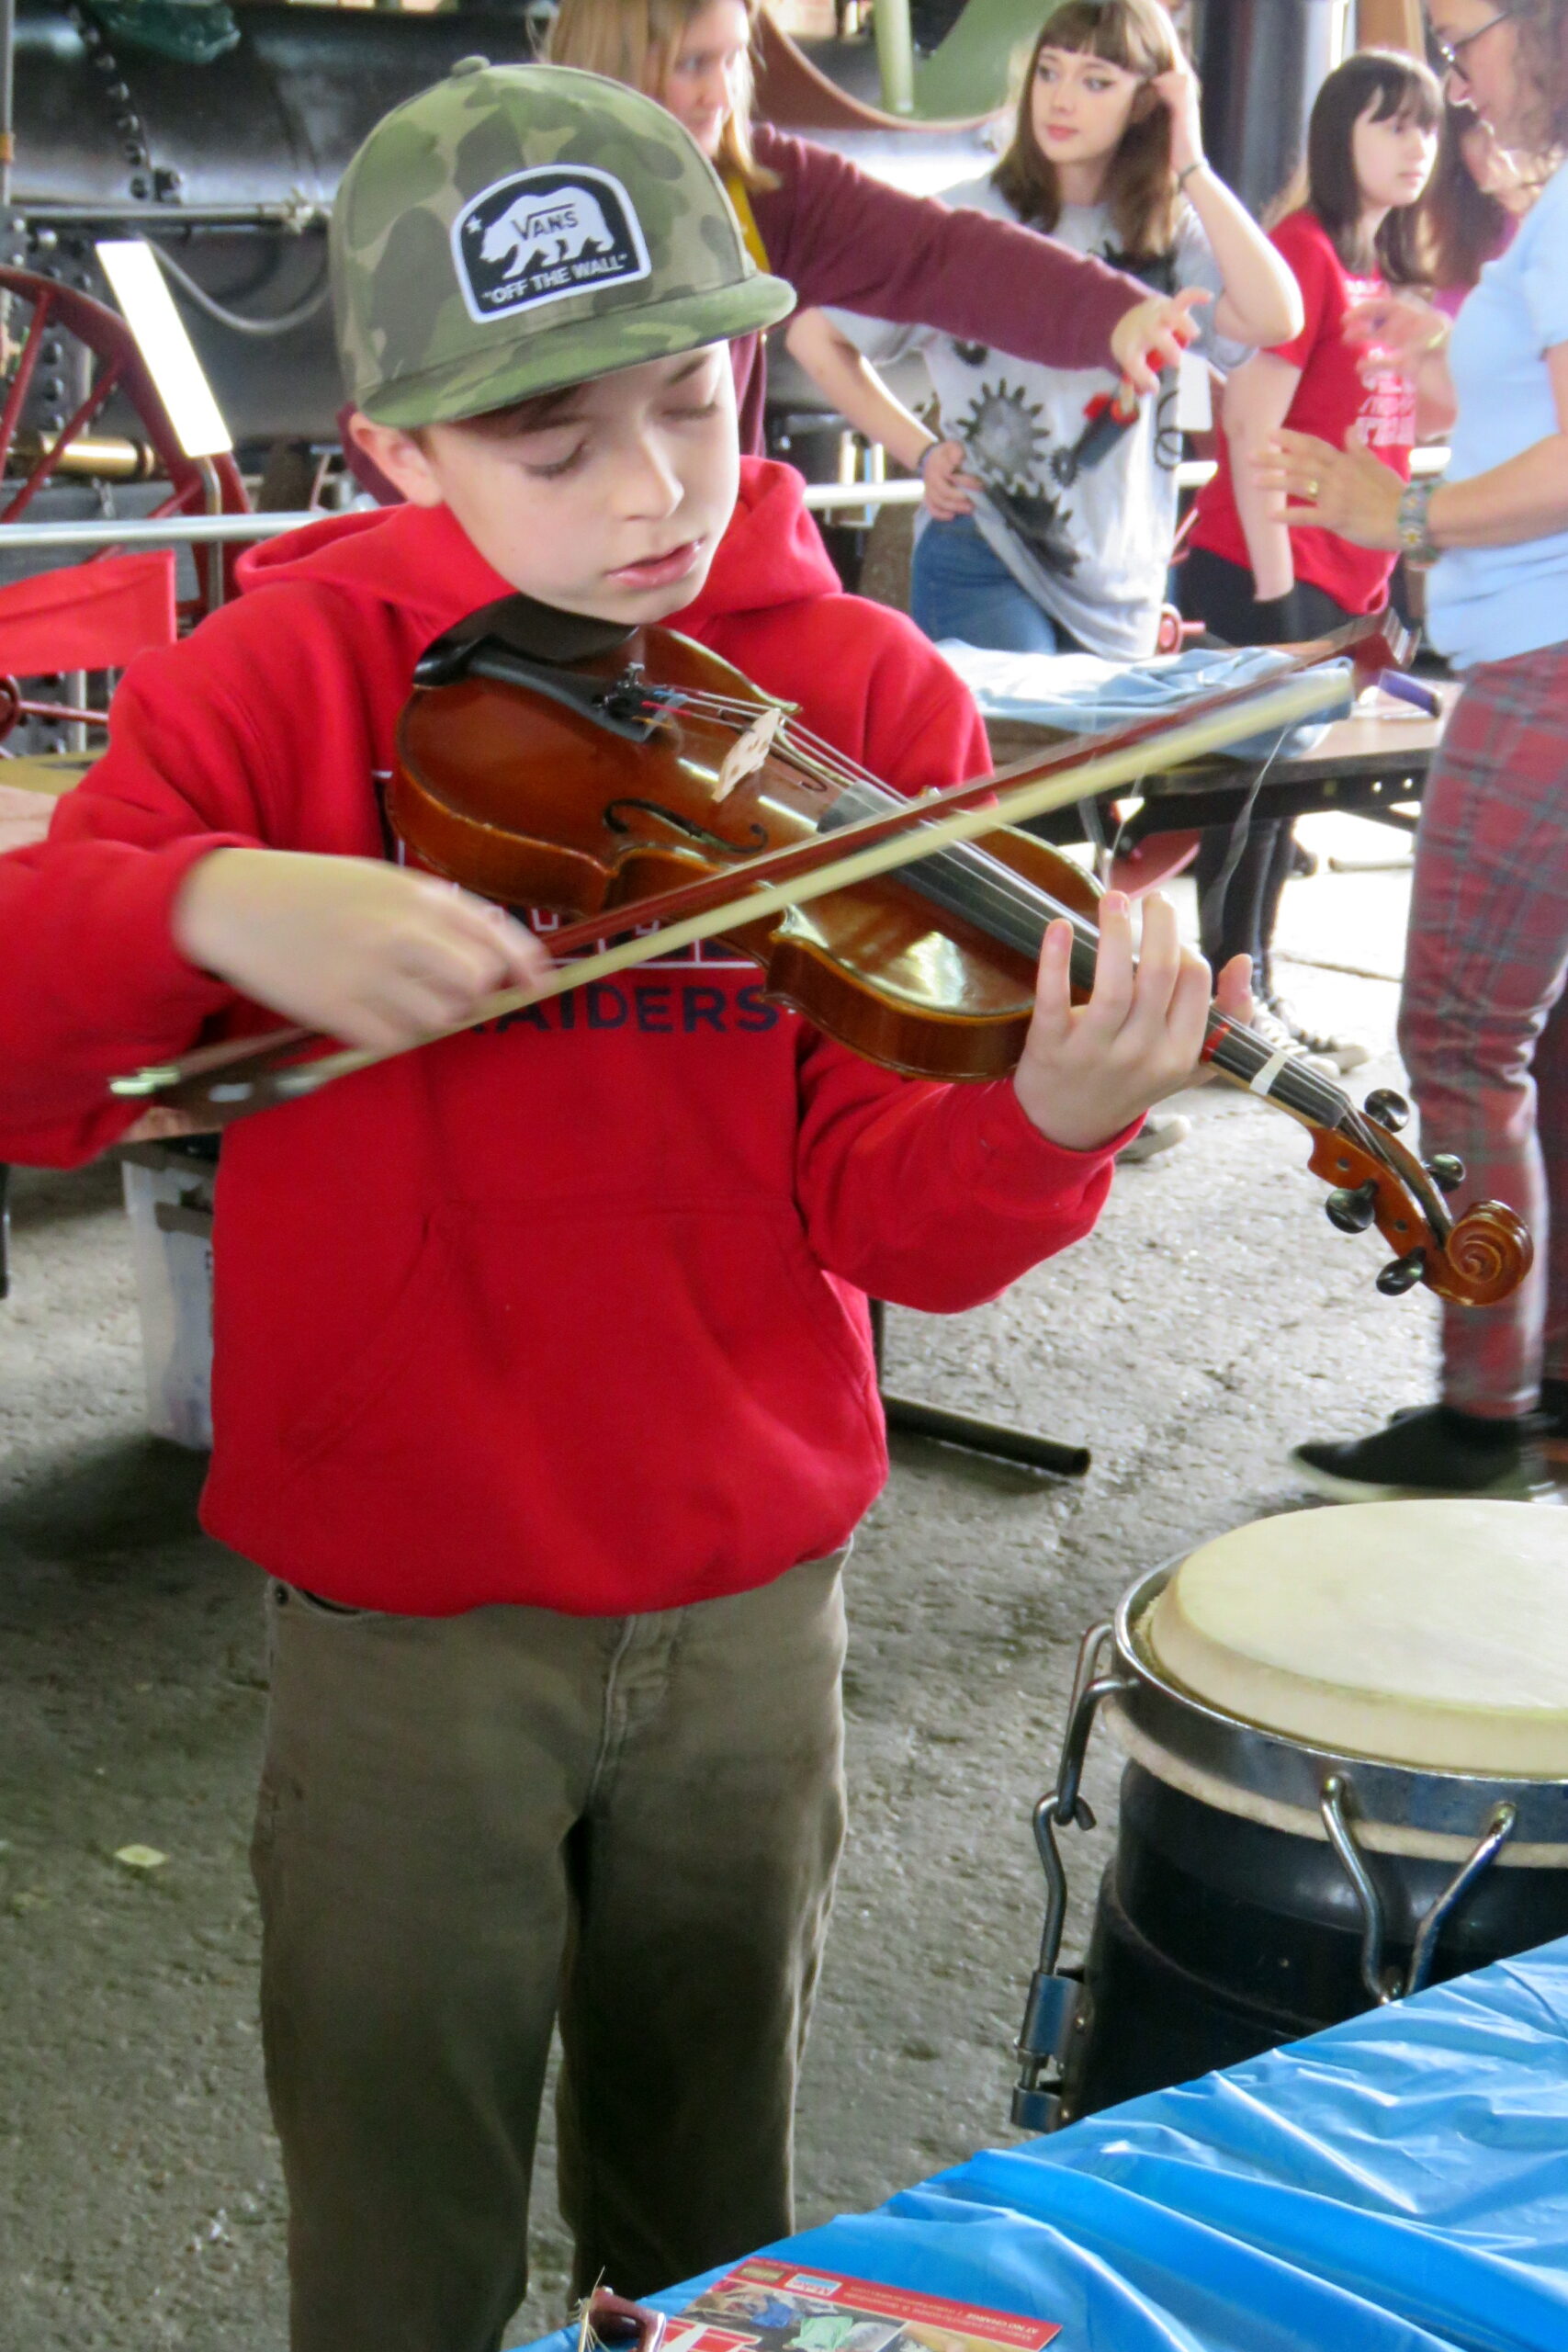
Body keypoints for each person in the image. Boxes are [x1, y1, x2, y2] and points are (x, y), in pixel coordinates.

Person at [0, 63, 1249, 2352]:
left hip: (746, 1612)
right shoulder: (270, 686)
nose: (653, 499)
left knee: (708, 2225)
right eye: (547, 451)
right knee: (398, 2225)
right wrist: (208, 900)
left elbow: (890, 1203)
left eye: (692, 404)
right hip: (402, 1623)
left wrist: (1042, 1123)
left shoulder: (858, 698)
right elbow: (28, 1055)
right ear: (393, 448)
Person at [1258, 0, 1568, 1502]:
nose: (1453, 79)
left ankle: (1474, 1413)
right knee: (1544, 1044)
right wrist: (1446, 352)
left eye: (1463, 41)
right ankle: (1545, 1385)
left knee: (1455, 1039)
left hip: (1547, 668)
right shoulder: (1545, 218)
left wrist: (1403, 516)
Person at [781, 0, 1300, 665]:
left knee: (1104, 771)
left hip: (1124, 577)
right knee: (1022, 762)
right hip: (984, 549)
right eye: (1048, 72)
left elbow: (1276, 316)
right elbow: (815, 337)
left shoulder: (1167, 235)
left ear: (1147, 102)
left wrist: (1191, 162)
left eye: (1094, 81)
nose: (1059, 99)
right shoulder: (969, 218)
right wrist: (921, 451)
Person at [544, 0, 1212, 453]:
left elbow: (936, 252)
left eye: (733, 60)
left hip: (700, 572)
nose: (720, 96)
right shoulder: (507, 196)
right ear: (616, 59)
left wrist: (1107, 313)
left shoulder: (763, 186)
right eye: (693, 63)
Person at [1179, 48, 1443, 1078]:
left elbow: (1390, 437)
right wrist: (1280, 592)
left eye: (1425, 126)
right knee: (1237, 802)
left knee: (1280, 808)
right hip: (1263, 572)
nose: (1416, 147)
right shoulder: (1299, 251)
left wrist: (1395, 576)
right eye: (1391, 125)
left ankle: (1257, 994)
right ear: (1341, 138)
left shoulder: (1384, 266)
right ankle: (1224, 1009)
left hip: (1346, 579)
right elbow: (1250, 427)